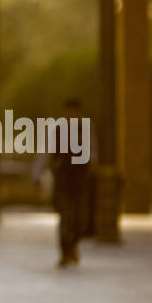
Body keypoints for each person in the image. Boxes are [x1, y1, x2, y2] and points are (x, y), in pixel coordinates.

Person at [36, 97, 97, 267]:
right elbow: (45, 152)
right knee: (64, 216)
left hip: (80, 178)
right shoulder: (56, 129)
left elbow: (92, 150)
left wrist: (91, 167)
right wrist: (37, 175)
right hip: (62, 178)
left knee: (80, 217)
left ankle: (74, 245)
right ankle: (65, 251)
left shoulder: (85, 128)